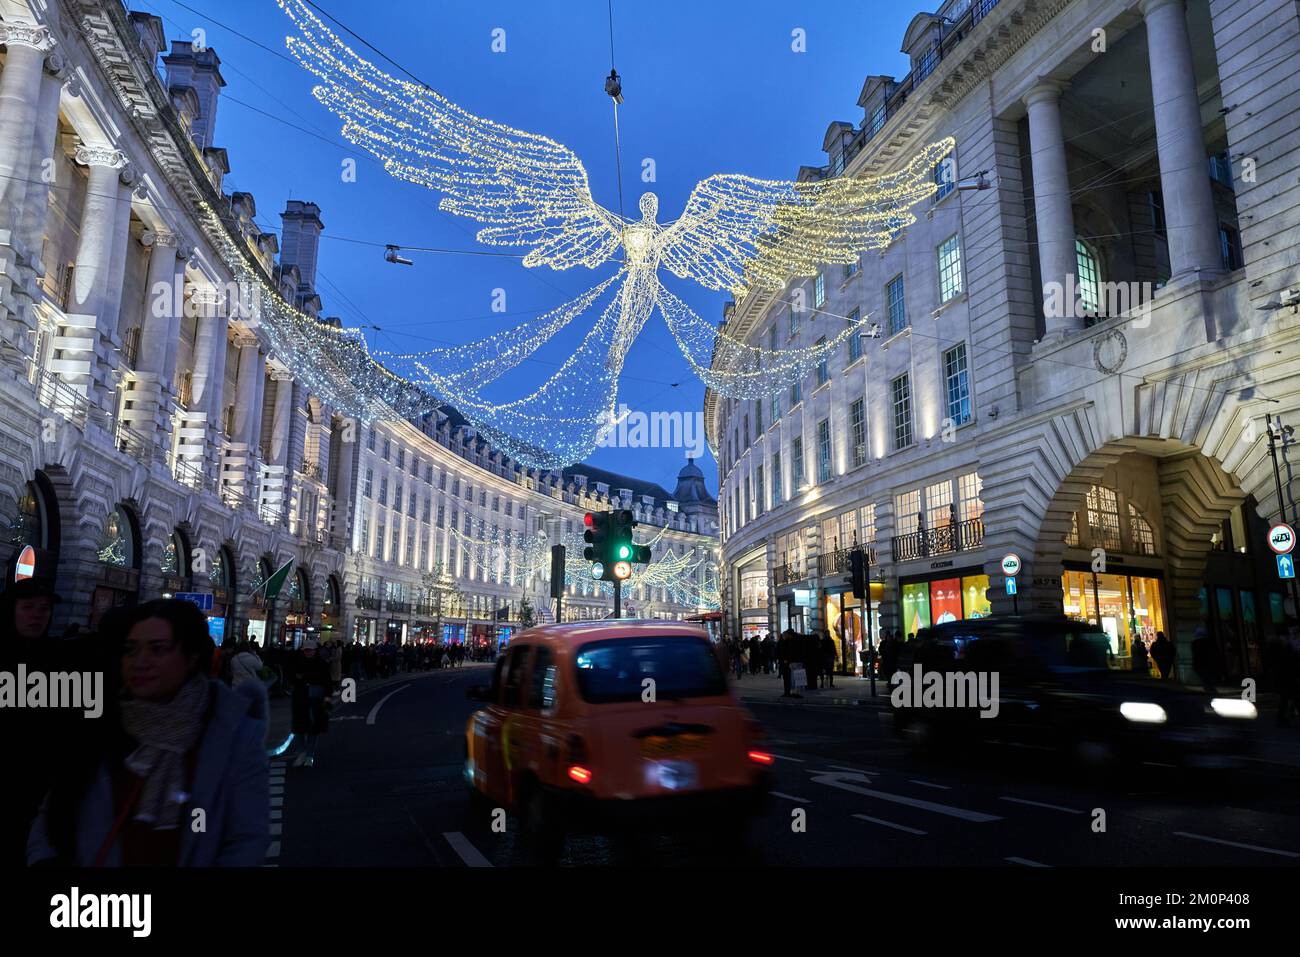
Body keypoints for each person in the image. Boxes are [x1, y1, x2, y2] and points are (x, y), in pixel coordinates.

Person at [27, 599, 269, 867]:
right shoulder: (98, 724)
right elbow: (51, 816)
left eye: (158, 649)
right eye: (131, 650)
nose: (140, 662)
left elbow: (247, 839)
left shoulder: (234, 735)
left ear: (191, 658)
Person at [289, 639, 334, 768]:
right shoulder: (297, 662)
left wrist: (327, 697)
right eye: (306, 650)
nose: (308, 652)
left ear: (315, 650)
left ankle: (309, 755)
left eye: (310, 650)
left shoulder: (321, 664)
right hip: (300, 697)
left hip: (316, 698)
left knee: (313, 727)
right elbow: (292, 677)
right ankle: (302, 752)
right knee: (299, 727)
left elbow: (327, 681)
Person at [1190, 628, 1219, 695]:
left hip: (1200, 665)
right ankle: (1211, 692)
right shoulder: (1209, 642)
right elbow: (1214, 654)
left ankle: (1210, 692)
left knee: (1205, 681)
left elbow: (1195, 656)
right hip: (1208, 665)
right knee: (1208, 681)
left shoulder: (1195, 643)